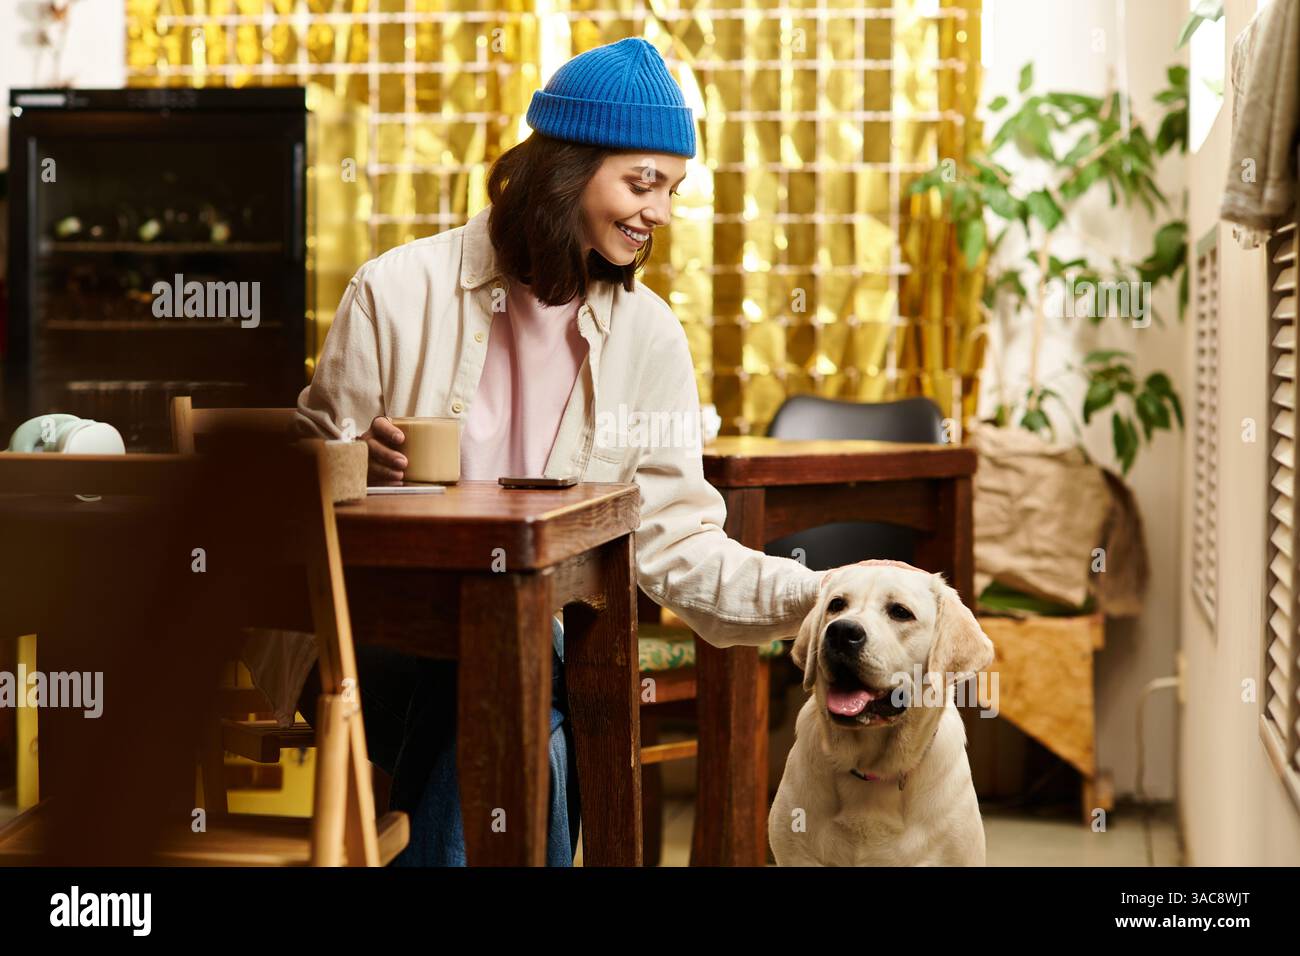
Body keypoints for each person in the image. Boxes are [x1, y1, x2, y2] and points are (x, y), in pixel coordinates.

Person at [291, 36, 828, 865]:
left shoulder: (648, 338)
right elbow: (297, 492)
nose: (661, 212)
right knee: (515, 696)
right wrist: (352, 463)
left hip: (534, 650)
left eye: (673, 188)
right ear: (565, 171)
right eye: (641, 181)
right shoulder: (397, 291)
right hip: (377, 639)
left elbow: (675, 543)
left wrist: (828, 596)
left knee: (513, 681)